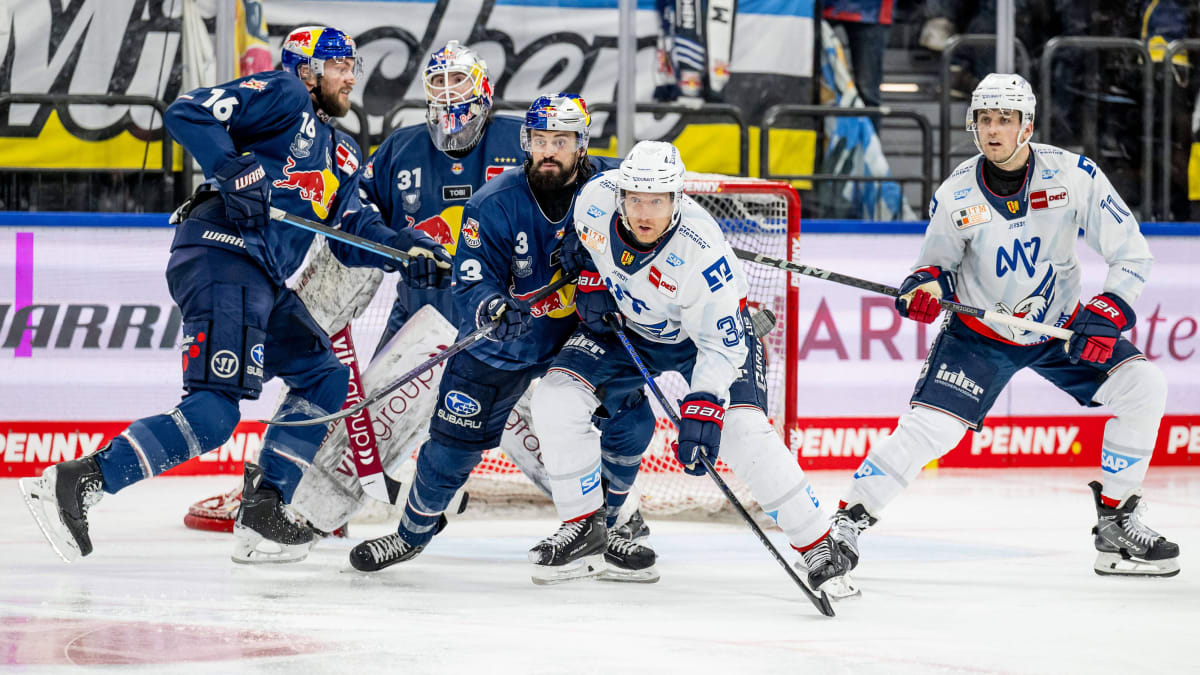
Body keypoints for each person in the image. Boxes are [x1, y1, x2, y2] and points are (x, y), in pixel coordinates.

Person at [18, 26, 450, 565]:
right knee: (215, 414)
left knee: (324, 375)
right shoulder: (283, 95)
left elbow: (356, 230)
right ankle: (82, 479)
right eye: (339, 65)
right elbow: (188, 111)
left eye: (352, 66)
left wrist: (407, 251)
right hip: (223, 253)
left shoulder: (340, 151)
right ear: (308, 70)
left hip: (263, 279)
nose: (351, 77)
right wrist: (232, 168)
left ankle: (265, 503)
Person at [831, 73, 1178, 578]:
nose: (994, 130)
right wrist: (926, 292)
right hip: (979, 338)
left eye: (1005, 119)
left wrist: (1109, 309)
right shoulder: (955, 195)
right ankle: (846, 524)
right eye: (985, 119)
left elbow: (1131, 254)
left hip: (1061, 327)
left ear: (1027, 125)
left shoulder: (1073, 174)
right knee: (928, 432)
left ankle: (1116, 522)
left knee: (1143, 386)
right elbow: (934, 270)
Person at [347, 94, 660, 580]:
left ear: (582, 143)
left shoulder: (617, 188)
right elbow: (472, 278)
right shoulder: (493, 201)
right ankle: (410, 533)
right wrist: (492, 308)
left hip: (586, 334)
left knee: (631, 420)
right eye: (540, 140)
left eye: (561, 140)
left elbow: (664, 229)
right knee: (451, 443)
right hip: (509, 339)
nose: (549, 150)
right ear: (526, 143)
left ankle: (604, 524)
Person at [526, 140, 856, 594]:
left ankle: (819, 543)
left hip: (706, 340)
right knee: (554, 397)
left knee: (741, 432)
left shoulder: (705, 254)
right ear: (621, 195)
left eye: (657, 201)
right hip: (629, 329)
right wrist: (589, 271)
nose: (645, 213)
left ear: (677, 198)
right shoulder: (594, 200)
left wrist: (702, 404)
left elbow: (720, 348)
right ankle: (586, 526)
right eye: (636, 199)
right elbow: (586, 247)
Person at [362, 40, 524, 352]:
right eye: (438, 81)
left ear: (481, 85)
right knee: (378, 401)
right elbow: (355, 208)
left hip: (502, 312)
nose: (447, 90)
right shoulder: (400, 148)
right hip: (421, 309)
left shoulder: (521, 140)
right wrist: (394, 247)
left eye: (458, 79)